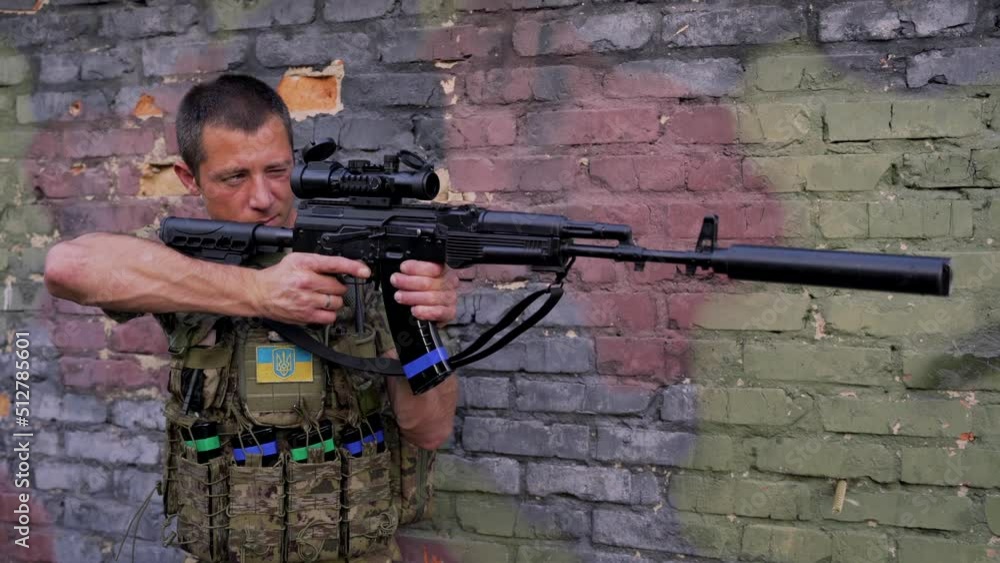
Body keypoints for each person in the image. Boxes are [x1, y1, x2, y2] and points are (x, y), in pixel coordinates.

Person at [43, 74, 459, 563]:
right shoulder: (186, 260)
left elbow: (429, 431)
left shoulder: (359, 259)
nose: (263, 197)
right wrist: (258, 291)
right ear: (189, 178)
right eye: (234, 177)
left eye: (277, 171)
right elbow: (67, 267)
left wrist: (418, 324)